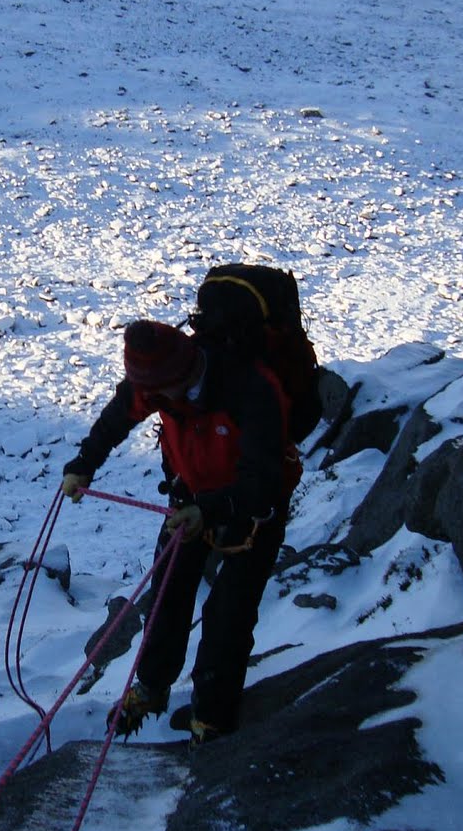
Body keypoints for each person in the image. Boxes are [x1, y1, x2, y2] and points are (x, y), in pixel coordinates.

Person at [61, 318, 298, 745]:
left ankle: (211, 719)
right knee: (166, 600)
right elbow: (119, 414)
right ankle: (152, 688)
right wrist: (84, 464)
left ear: (182, 373)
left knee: (228, 616)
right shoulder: (157, 382)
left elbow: (262, 477)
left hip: (254, 513)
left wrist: (209, 510)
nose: (150, 401)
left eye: (157, 394)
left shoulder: (249, 388)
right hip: (190, 499)